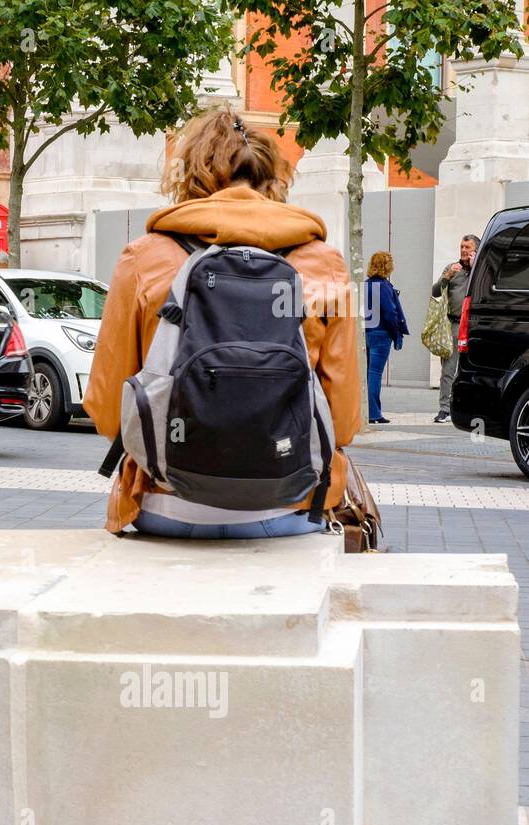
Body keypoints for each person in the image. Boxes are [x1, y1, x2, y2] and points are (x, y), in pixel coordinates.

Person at [84, 107, 360, 539]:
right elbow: (343, 420)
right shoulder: (325, 263)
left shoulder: (144, 257)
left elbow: (105, 412)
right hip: (289, 507)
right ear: (273, 178)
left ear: (189, 174)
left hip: (164, 505)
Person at [432, 234, 478, 423]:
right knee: (448, 370)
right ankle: (444, 409)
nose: (464, 250)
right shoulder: (453, 269)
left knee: (471, 370)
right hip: (454, 325)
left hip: (474, 328)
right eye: (461, 247)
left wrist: (477, 267)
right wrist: (446, 277)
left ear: (476, 249)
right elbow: (435, 292)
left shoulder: (482, 270)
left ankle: (469, 409)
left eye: (467, 247)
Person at [364, 251, 409, 424]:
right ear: (387, 266)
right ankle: (374, 413)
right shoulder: (384, 287)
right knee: (375, 374)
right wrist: (396, 334)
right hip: (381, 333)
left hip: (366, 333)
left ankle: (367, 410)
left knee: (368, 374)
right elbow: (390, 313)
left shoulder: (365, 285)